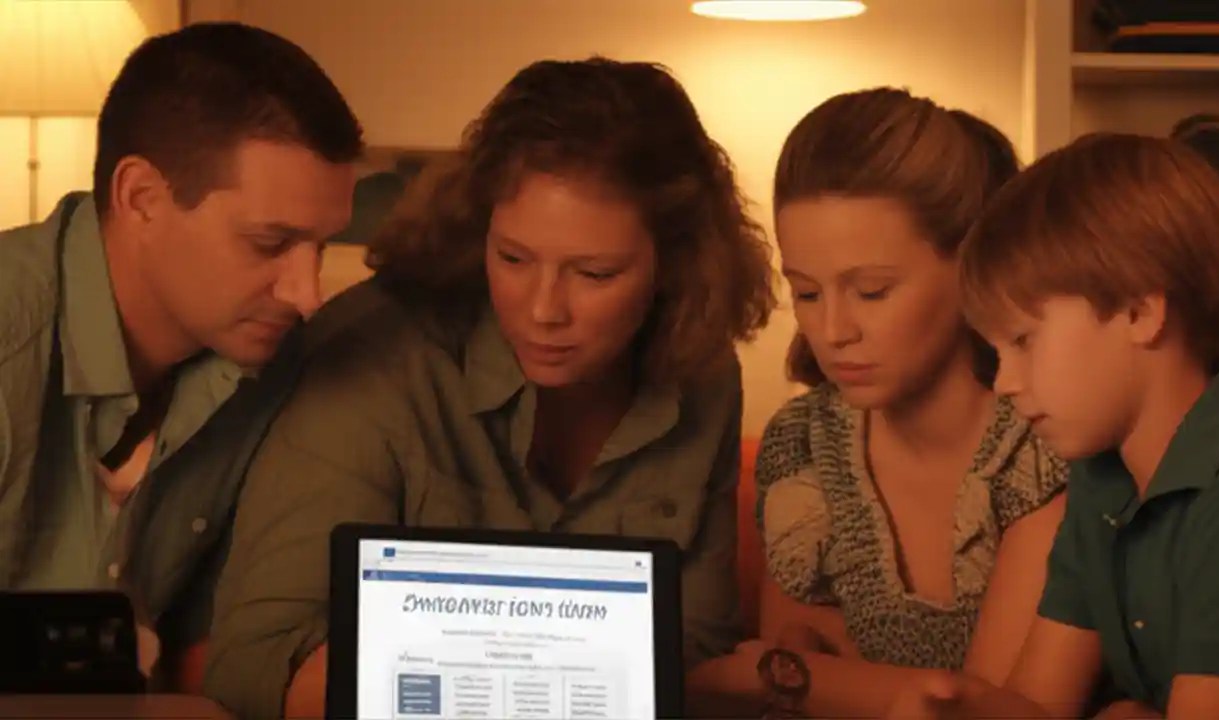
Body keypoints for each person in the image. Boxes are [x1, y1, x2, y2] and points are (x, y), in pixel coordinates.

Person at [202, 56, 777, 719]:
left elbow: (695, 647)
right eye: (512, 258)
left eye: (593, 273)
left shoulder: (700, 368)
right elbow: (253, 664)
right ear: (479, 230)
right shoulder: (375, 358)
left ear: (673, 264)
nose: (542, 310)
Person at [685, 88, 1068, 718]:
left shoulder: (1043, 442)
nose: (833, 330)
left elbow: (977, 711)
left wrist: (797, 674)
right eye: (806, 293)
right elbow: (792, 681)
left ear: (972, 266)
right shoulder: (804, 444)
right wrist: (800, 674)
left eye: (871, 290)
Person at [0, 21, 362, 682]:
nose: (307, 294)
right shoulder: (9, 342)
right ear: (141, 198)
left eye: (322, 245)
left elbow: (207, 647)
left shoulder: (273, 363)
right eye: (268, 243)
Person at [886, 133, 1219, 719]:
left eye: (1023, 340)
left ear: (1139, 312)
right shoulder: (1102, 478)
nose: (1003, 382)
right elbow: (1040, 702)